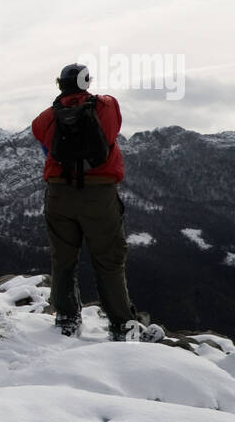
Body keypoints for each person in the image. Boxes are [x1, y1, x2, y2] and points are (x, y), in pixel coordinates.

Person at [31, 64, 164, 341]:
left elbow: (47, 147)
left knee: (63, 258)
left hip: (58, 194)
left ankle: (66, 317)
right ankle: (121, 324)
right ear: (86, 82)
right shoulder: (107, 105)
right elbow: (111, 136)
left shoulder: (44, 119)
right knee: (109, 260)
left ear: (60, 85)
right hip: (99, 194)